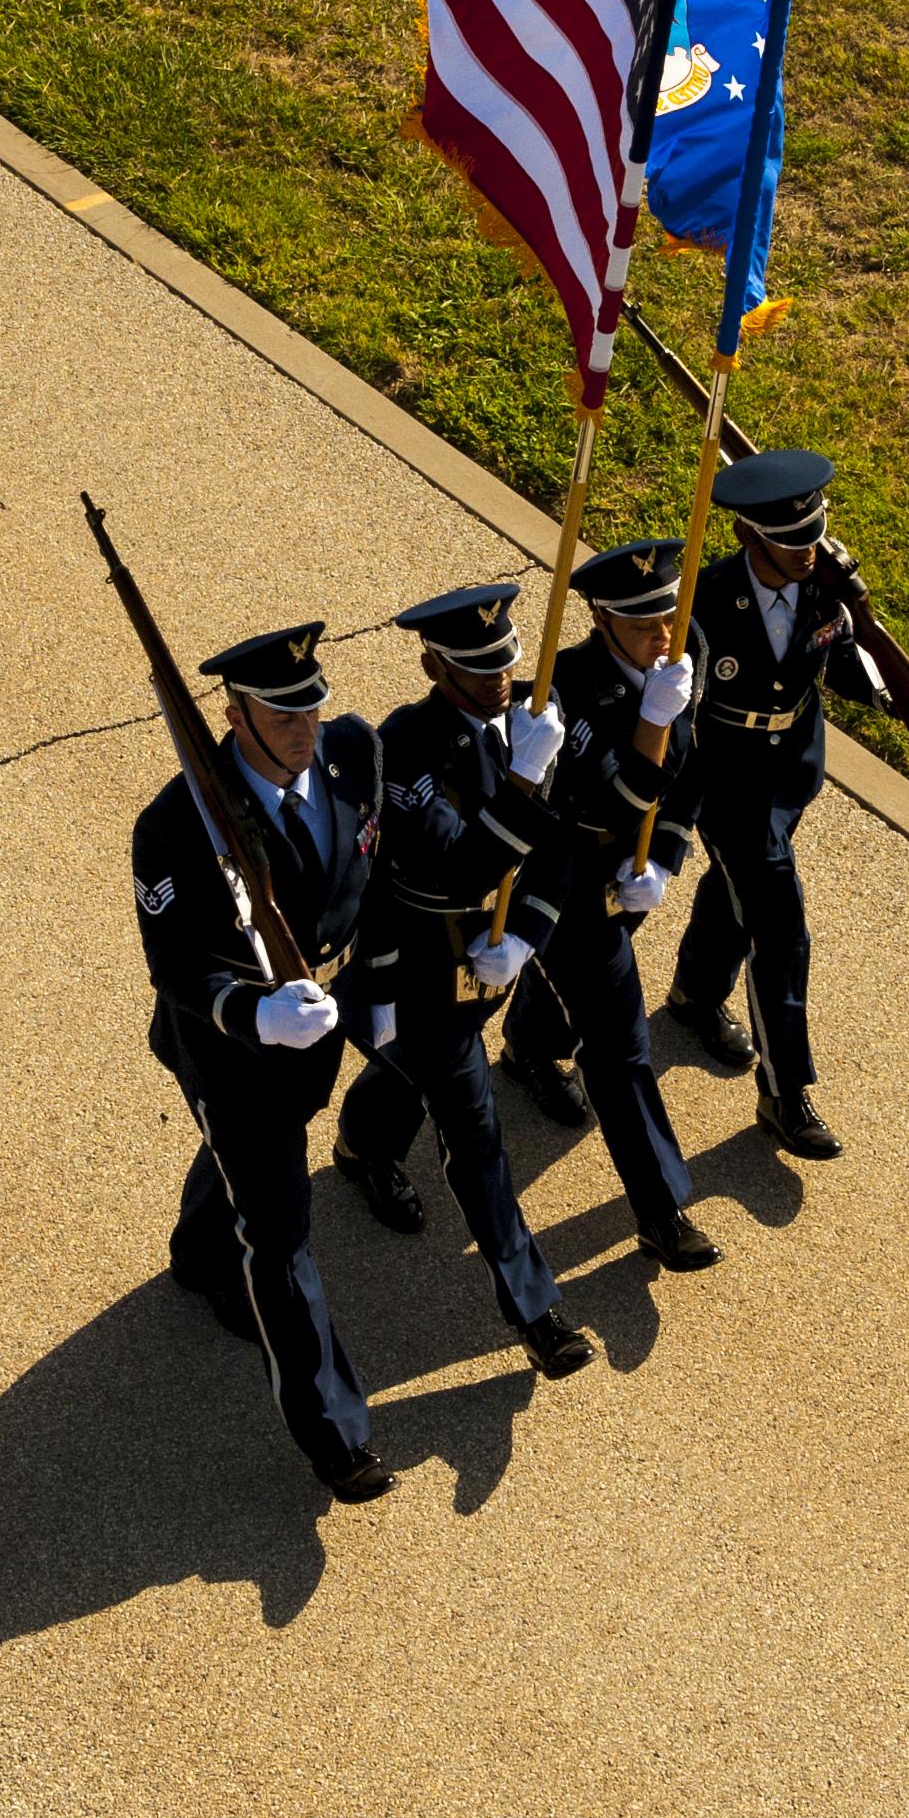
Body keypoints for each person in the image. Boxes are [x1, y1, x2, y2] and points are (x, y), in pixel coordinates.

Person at [131, 621, 395, 1505]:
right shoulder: (176, 824)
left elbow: (372, 874)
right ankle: (336, 1436)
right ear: (233, 713)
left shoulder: (353, 756)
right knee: (281, 1230)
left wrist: (378, 984)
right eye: (281, 713)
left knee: (255, 1165)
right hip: (232, 1051)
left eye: (311, 704)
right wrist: (252, 1011)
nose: (303, 728)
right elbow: (176, 963)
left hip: (321, 1023)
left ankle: (199, 1250)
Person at [333, 583, 596, 1379]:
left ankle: (361, 1144)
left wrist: (526, 938)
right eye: (476, 669)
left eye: (505, 662)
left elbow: (561, 846)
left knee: (411, 1082)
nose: (498, 681)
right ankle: (537, 1311)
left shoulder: (530, 724)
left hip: (488, 958)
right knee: (475, 1139)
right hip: (416, 964)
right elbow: (450, 870)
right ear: (431, 666)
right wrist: (522, 781)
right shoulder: (402, 749)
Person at [667, 450, 909, 1159]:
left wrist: (902, 701)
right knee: (780, 928)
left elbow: (837, 659)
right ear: (746, 538)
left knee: (733, 890)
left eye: (813, 538)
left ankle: (694, 997)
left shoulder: (826, 591)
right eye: (788, 543)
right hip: (726, 781)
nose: (804, 555)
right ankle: (783, 1092)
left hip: (791, 770)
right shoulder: (700, 604)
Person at [501, 541, 722, 1272]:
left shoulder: (682, 651)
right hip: (558, 889)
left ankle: (530, 1048)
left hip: (626, 882)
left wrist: (665, 858)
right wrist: (653, 722)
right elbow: (607, 802)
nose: (662, 636)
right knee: (621, 1046)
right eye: (641, 625)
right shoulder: (558, 693)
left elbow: (691, 777)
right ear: (599, 620)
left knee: (564, 995)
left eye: (667, 615)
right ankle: (662, 1211)